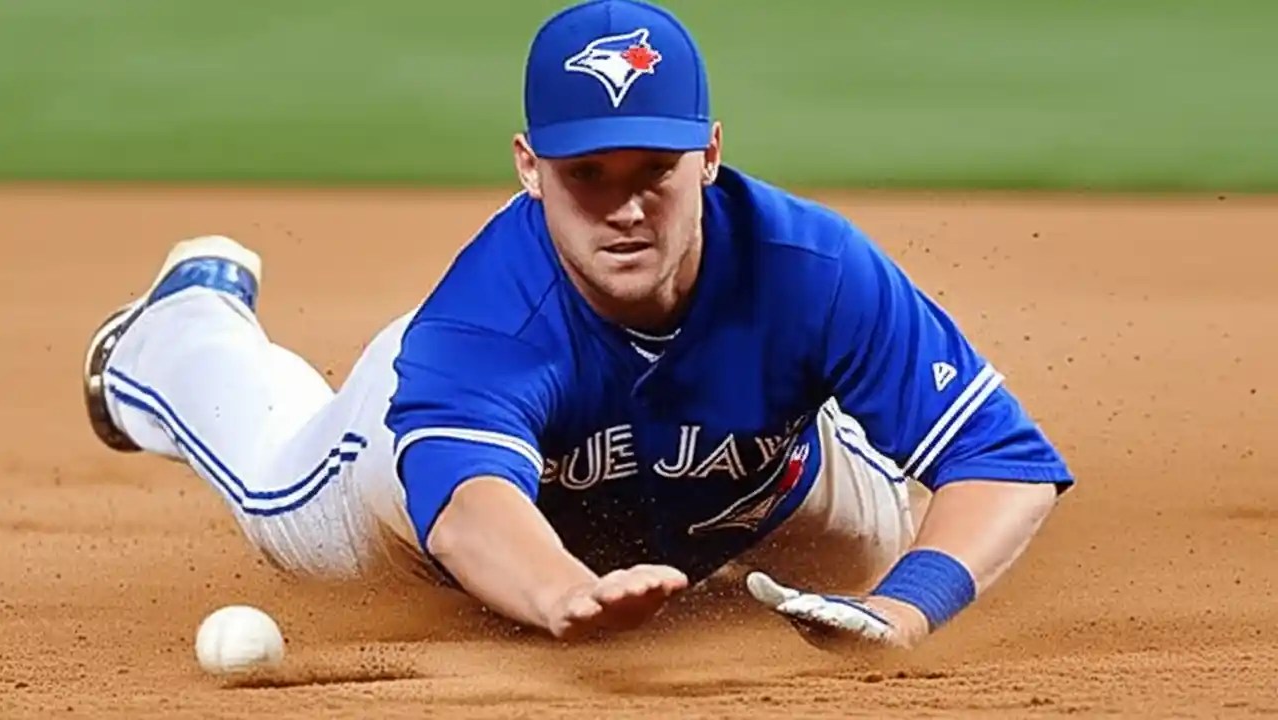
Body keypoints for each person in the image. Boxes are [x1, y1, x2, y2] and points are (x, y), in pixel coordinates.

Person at [82, 0, 1073, 648]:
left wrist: (905, 608)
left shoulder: (810, 269)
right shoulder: (489, 316)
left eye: (653, 168)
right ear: (526, 167)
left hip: (767, 495)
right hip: (436, 453)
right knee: (276, 497)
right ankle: (181, 329)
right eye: (585, 175)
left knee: (870, 550)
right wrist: (559, 591)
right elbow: (468, 506)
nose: (627, 205)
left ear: (710, 154)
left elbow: (1001, 460)